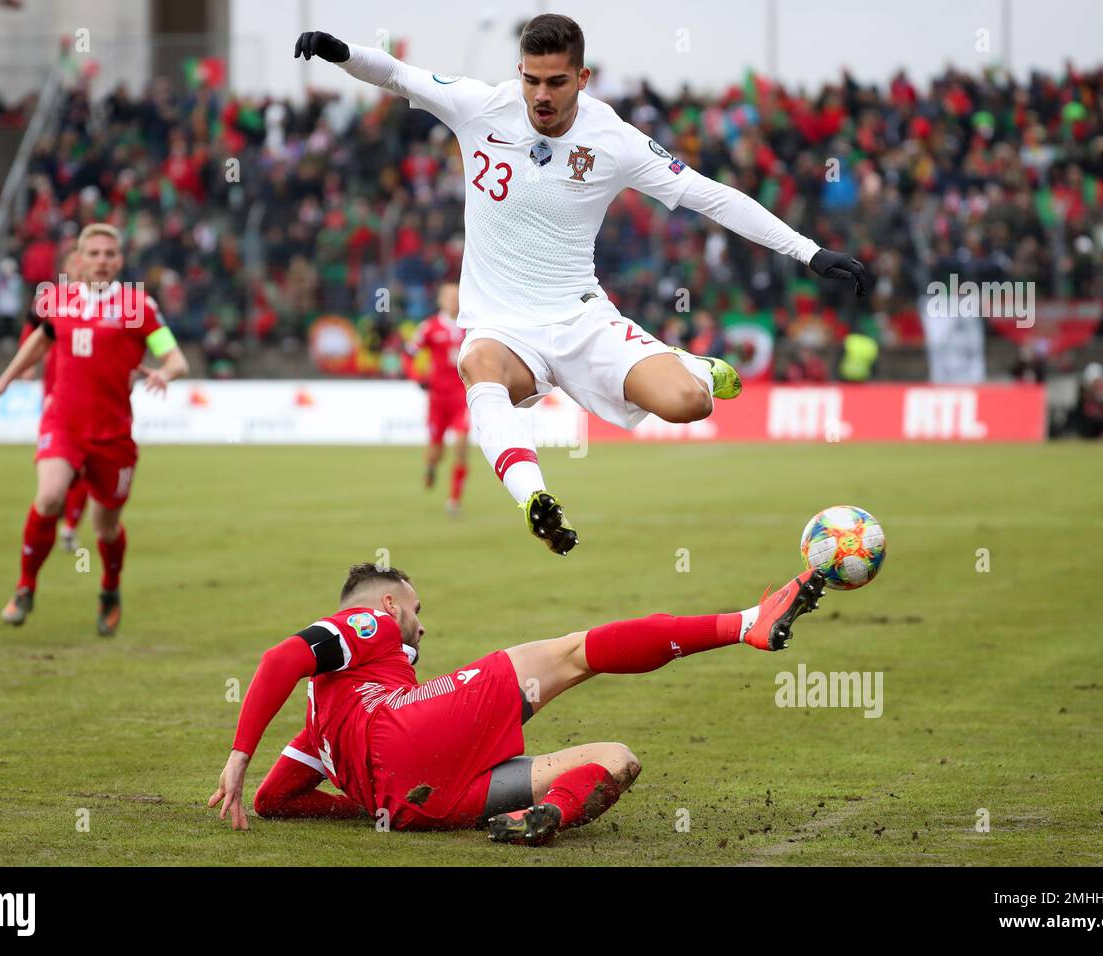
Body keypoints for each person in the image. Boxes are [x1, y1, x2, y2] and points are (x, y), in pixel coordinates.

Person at [295, 15, 870, 555]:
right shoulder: (480, 107)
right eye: (531, 79)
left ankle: (693, 368)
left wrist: (808, 251)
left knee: (688, 405)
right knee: (478, 366)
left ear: (582, 78)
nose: (540, 95)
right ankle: (534, 498)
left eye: (556, 81)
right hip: (500, 325)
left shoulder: (614, 140)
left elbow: (709, 195)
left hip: (580, 319)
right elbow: (396, 74)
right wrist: (340, 52)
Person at [210, 562, 827, 845]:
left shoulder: (321, 723)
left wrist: (374, 807)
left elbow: (275, 802)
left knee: (616, 758)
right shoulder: (367, 621)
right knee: (574, 654)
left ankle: (544, 816)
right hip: (406, 728)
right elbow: (279, 660)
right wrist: (239, 755)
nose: (421, 628)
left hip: (420, 804)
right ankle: (744, 622)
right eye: (416, 611)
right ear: (389, 605)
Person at [0, 223, 189, 635]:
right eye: (92, 253)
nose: (101, 261)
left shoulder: (138, 306)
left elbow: (176, 358)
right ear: (78, 259)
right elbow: (43, 340)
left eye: (108, 254)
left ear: (120, 260)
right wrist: (5, 379)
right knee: (49, 496)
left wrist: (166, 372)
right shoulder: (57, 299)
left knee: (105, 528)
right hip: (64, 423)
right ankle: (25, 588)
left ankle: (110, 589)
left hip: (112, 436)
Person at [20, 245, 92, 553]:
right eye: (74, 266)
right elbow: (32, 330)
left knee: (86, 468)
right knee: (60, 466)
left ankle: (70, 526)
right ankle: (56, 509)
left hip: (94, 397)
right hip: (57, 395)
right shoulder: (53, 302)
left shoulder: (107, 303)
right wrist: (27, 365)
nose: (80, 270)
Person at [404, 282, 469, 514]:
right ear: (441, 301)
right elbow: (408, 354)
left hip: (462, 397)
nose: (454, 301)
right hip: (437, 399)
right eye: (450, 297)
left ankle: (454, 500)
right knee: (436, 451)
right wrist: (417, 377)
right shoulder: (429, 327)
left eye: (457, 296)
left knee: (461, 443)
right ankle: (431, 466)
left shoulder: (470, 327)